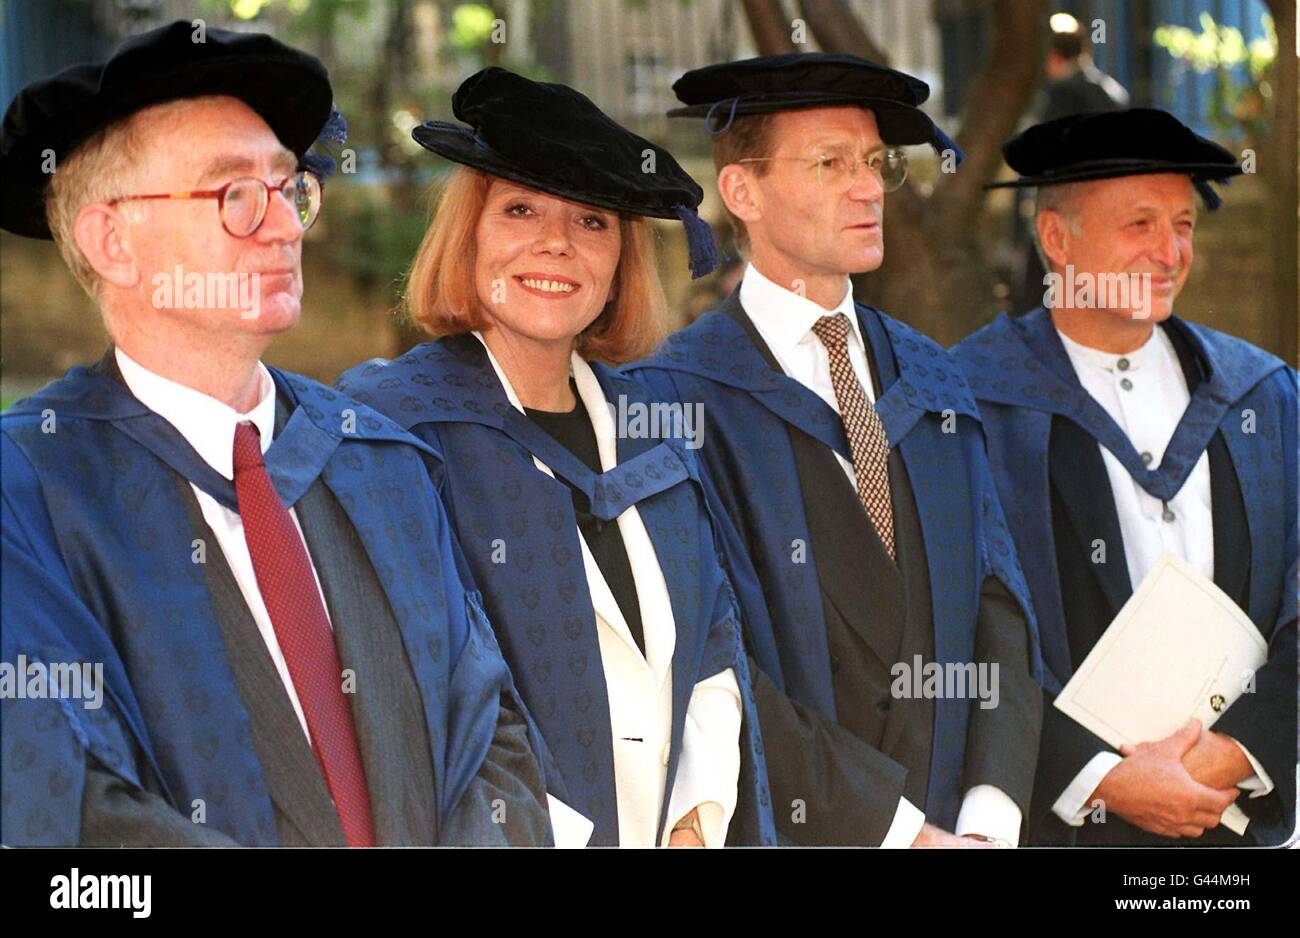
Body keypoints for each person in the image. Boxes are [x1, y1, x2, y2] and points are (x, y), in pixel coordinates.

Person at [0, 21, 551, 847]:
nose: (287, 226)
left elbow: (491, 735)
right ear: (112, 241)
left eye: (289, 189)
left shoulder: (379, 460)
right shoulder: (28, 495)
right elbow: (68, 805)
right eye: (235, 195)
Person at [337, 67, 776, 848]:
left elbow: (714, 644)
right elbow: (415, 696)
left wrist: (694, 822)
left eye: (591, 221)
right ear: (469, 233)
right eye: (520, 210)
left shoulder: (655, 437)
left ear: (619, 261)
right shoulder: (393, 433)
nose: (556, 244)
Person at [627, 53, 1042, 847]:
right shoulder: (671, 400)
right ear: (743, 192)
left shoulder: (930, 377)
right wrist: (901, 832)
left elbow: (1000, 608)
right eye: (830, 164)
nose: (868, 189)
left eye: (874, 163)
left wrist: (989, 821)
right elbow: (710, 656)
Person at [954, 108, 1297, 846]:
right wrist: (1099, 778)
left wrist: (1235, 751)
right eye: (1140, 224)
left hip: (1232, 822)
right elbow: (956, 632)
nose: (1169, 253)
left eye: (1183, 225)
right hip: (1059, 826)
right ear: (1056, 239)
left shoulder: (1262, 397)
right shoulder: (968, 404)